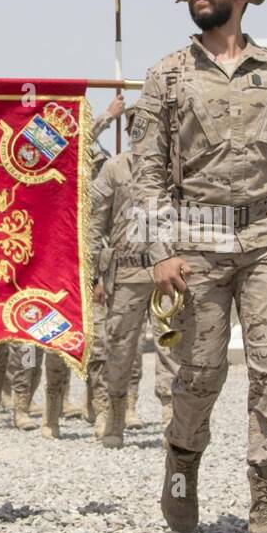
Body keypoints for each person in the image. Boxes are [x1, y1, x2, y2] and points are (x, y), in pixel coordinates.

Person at [130, 0, 267, 533]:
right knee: (202, 372)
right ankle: (183, 465)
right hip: (198, 237)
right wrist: (159, 248)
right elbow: (148, 172)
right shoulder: (166, 74)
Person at [91, 94, 175, 447]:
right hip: (127, 275)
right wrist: (94, 272)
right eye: (136, 126)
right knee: (120, 347)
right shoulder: (115, 169)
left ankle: (173, 415)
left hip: (167, 272)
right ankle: (115, 412)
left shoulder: (173, 169)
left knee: (173, 348)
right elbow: (96, 221)